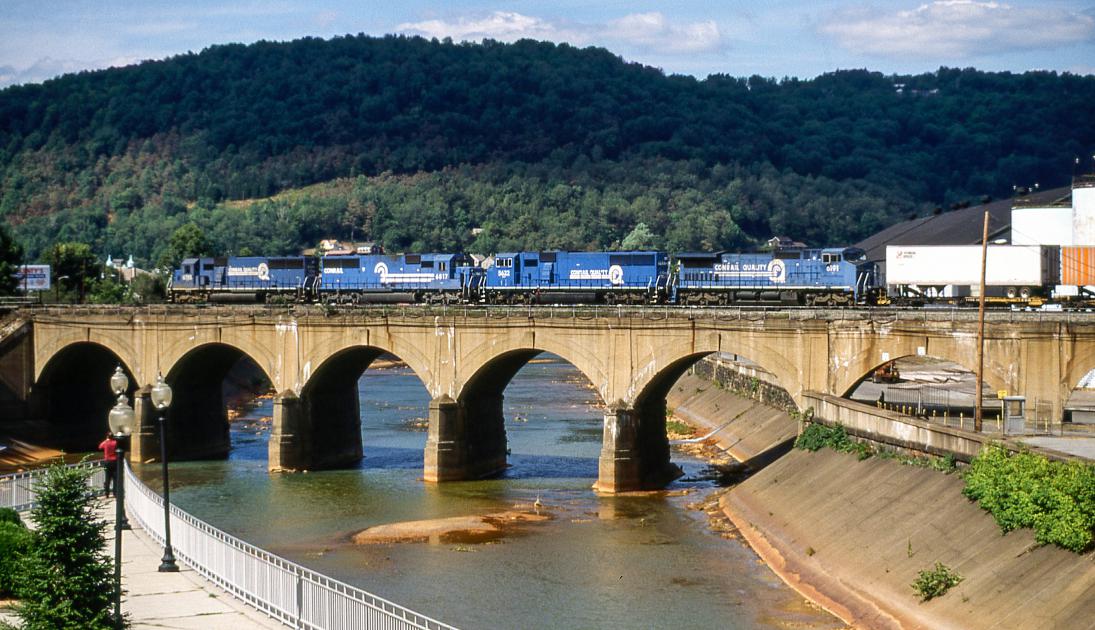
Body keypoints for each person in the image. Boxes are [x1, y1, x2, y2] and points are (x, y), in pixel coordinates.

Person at [98, 432, 118, 497]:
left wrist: (106, 440)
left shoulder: (105, 443)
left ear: (107, 436)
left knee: (107, 478)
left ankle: (107, 493)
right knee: (115, 478)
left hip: (107, 461)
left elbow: (100, 447)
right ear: (113, 437)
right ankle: (115, 493)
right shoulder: (115, 442)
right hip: (114, 461)